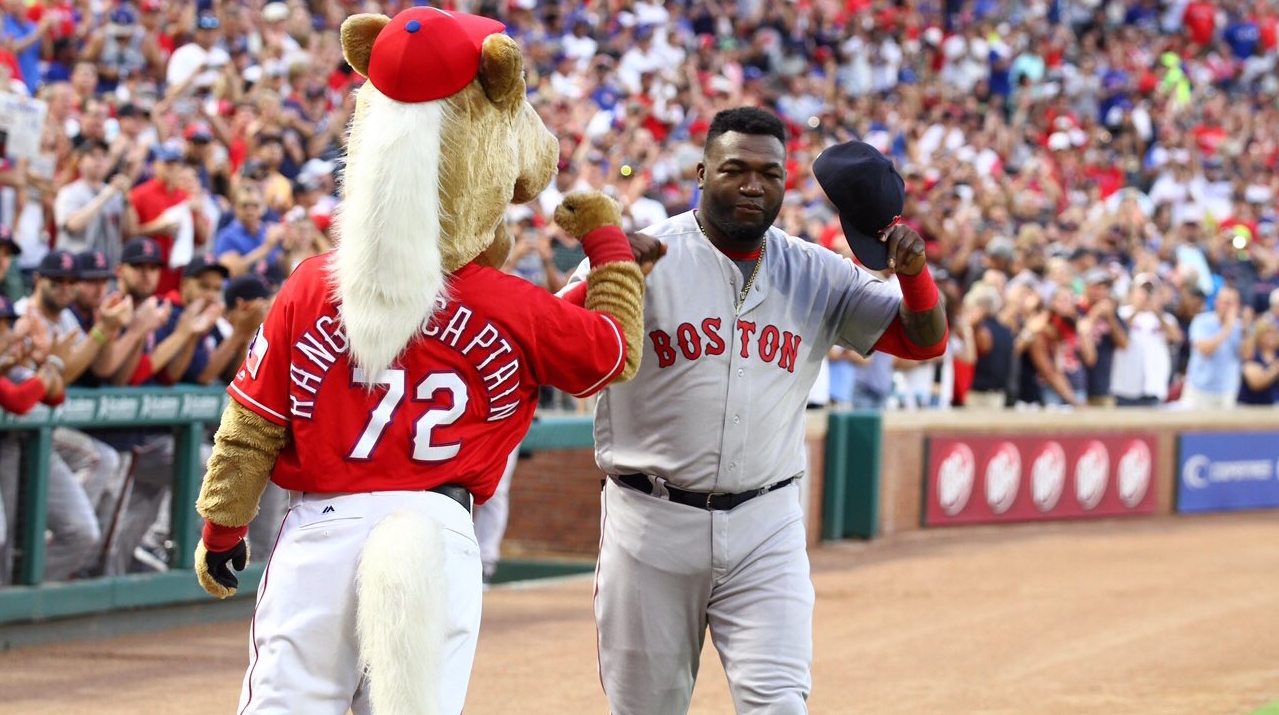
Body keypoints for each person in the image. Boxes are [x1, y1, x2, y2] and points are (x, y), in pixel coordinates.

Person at [575, 111, 947, 714]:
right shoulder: (644, 254)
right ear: (700, 173)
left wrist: (915, 276)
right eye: (735, 170)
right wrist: (605, 275)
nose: (753, 185)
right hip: (651, 519)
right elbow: (569, 353)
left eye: (769, 174)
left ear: (784, 182)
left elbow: (924, 342)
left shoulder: (818, 269)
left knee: (780, 704)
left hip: (765, 521)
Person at [1182, 285, 1245, 408]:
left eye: (1231, 303)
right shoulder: (1201, 321)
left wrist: (1247, 332)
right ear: (1217, 302)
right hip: (1198, 390)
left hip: (1227, 391)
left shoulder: (1240, 327)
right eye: (1225, 302)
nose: (1227, 307)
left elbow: (1246, 355)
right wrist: (1227, 328)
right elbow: (1205, 350)